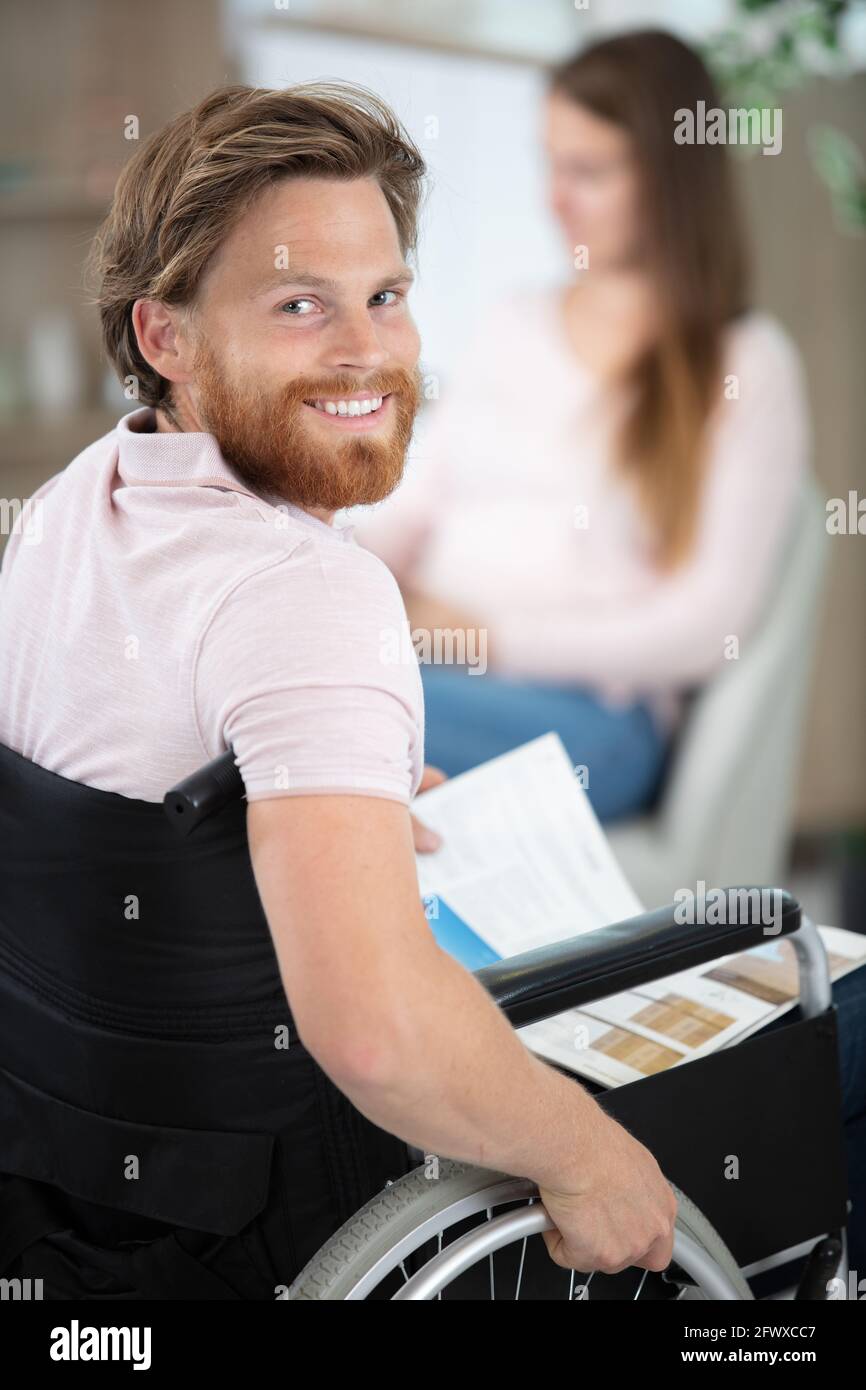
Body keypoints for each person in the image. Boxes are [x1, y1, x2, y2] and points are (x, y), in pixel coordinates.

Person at [0, 81, 677, 1294]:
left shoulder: (63, 513)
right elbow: (374, 1032)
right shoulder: (303, 591)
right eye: (299, 305)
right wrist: (586, 1158)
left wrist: (309, 806)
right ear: (166, 337)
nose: (364, 349)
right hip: (293, 1211)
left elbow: (99, 828)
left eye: (386, 296)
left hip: (84, 1197)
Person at [356, 29, 811, 824]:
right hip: (439, 664)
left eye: (588, 171)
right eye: (551, 163)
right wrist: (316, 572)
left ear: (671, 180)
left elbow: (707, 625)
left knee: (319, 712)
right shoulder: (513, 323)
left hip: (594, 721)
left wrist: (487, 637)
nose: (554, 198)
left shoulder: (746, 363)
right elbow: (413, 508)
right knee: (286, 685)